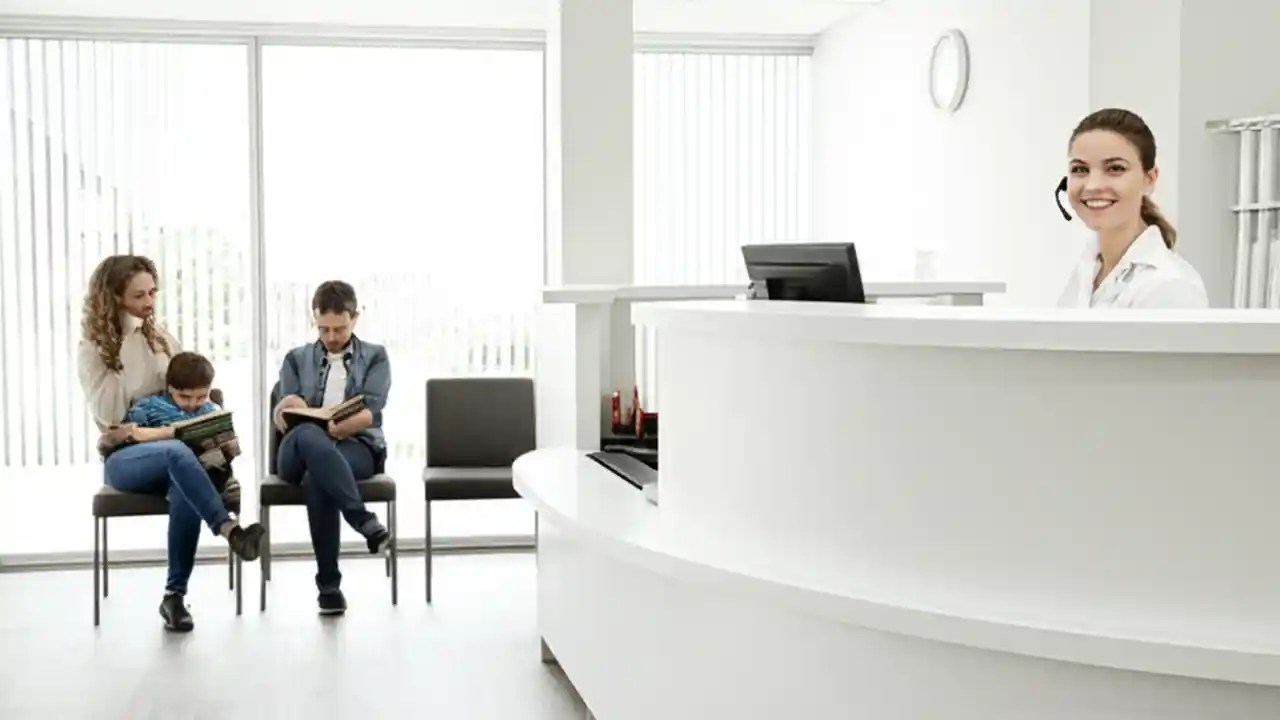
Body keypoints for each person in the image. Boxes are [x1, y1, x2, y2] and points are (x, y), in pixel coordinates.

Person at [77, 255, 266, 633]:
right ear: (114, 298)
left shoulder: (160, 337)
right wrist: (119, 345)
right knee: (180, 454)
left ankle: (173, 597)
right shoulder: (94, 348)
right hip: (126, 458)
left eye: (152, 292)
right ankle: (230, 531)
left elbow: (188, 384)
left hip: (173, 452)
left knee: (184, 477)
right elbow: (112, 416)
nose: (149, 302)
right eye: (138, 295)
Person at [273, 280, 393, 616]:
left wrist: (341, 426)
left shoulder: (375, 357)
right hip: (297, 450)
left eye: (338, 328)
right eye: (322, 328)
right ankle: (363, 520)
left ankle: (329, 588)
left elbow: (373, 409)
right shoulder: (296, 358)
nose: (330, 336)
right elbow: (286, 406)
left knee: (318, 478)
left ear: (355, 318)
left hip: (357, 447)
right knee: (311, 436)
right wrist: (290, 405)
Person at [1054, 108, 1208, 308]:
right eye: (1080, 170)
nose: (1092, 185)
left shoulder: (1171, 286)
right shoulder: (1088, 268)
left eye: (1115, 169)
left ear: (1150, 179)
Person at [126, 351, 241, 502]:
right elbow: (132, 436)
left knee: (214, 458)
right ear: (170, 388)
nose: (192, 404)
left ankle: (220, 482)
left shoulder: (208, 410)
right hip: (166, 465)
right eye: (185, 397)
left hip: (205, 463)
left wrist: (228, 445)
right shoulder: (150, 407)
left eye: (201, 397)